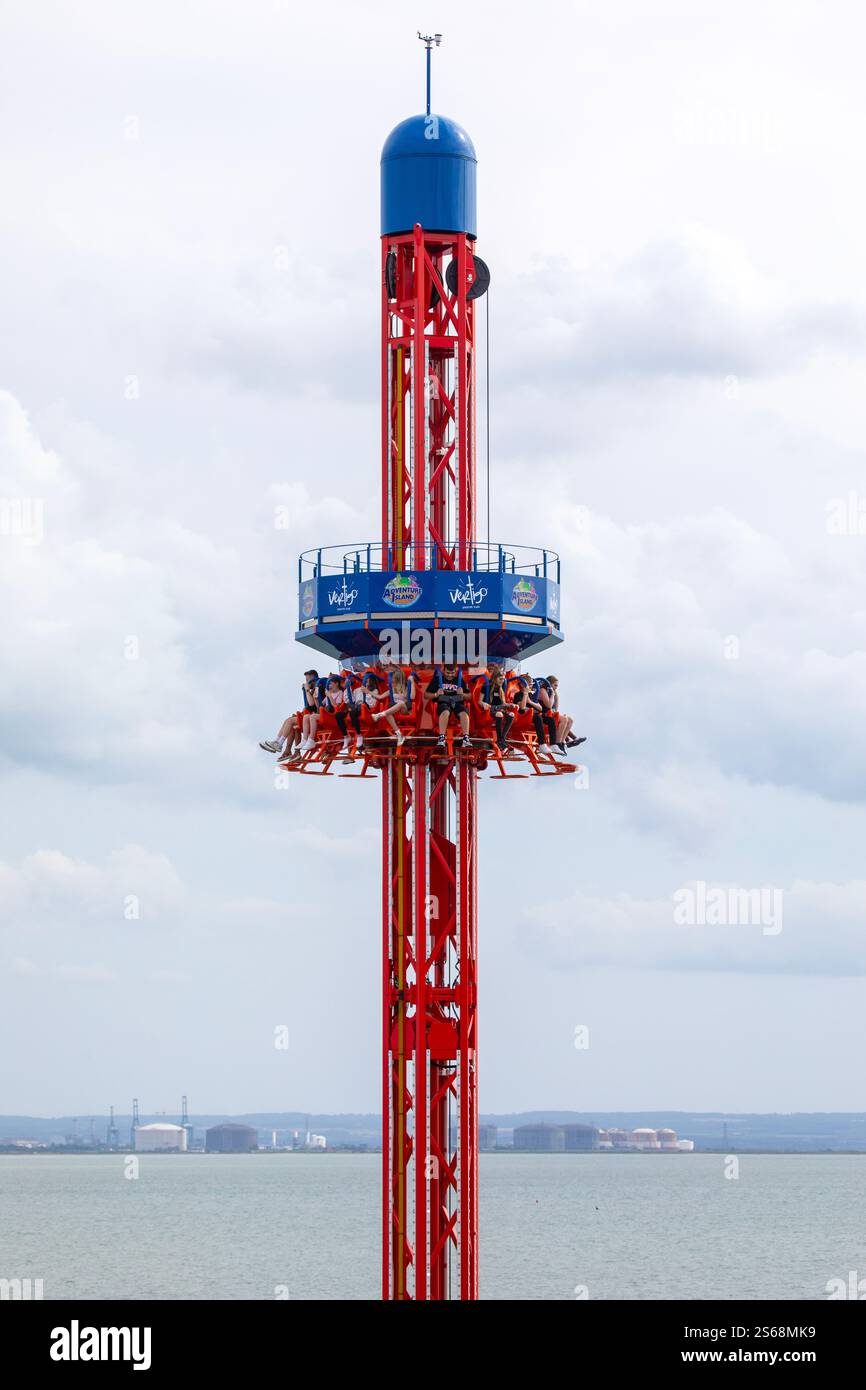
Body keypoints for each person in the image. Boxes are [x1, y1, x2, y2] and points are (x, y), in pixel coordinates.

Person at [259, 668, 321, 760]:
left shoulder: (317, 689)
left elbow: (312, 704)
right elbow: (309, 706)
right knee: (291, 722)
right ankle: (285, 747)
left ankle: (279, 744)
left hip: (316, 719)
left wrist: (307, 690)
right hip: (309, 717)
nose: (306, 682)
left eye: (308, 680)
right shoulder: (311, 690)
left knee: (290, 721)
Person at [425, 663, 472, 750]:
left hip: (457, 702)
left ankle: (466, 738)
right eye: (447, 673)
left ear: (455, 672)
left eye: (452, 673)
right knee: (445, 711)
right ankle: (442, 737)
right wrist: (436, 694)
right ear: (443, 671)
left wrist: (463, 694)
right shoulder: (437, 680)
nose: (450, 675)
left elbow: (469, 696)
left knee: (464, 713)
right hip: (443, 702)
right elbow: (426, 695)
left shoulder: (459, 680)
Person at [372, 666, 414, 746]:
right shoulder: (392, 690)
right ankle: (399, 734)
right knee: (388, 713)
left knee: (401, 703)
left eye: (395, 682)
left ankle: (380, 715)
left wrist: (412, 683)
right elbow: (380, 697)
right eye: (392, 682)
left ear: (399, 681)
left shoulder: (406, 688)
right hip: (395, 710)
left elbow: (412, 697)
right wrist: (368, 692)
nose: (393, 684)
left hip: (405, 710)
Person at [479, 664, 516, 753]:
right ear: (495, 678)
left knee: (511, 714)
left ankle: (501, 738)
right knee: (499, 714)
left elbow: (503, 704)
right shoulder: (486, 686)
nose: (502, 681)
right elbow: (479, 701)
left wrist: (511, 705)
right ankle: (500, 740)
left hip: (499, 709)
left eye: (503, 679)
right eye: (500, 679)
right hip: (490, 710)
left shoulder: (501, 689)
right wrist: (484, 704)